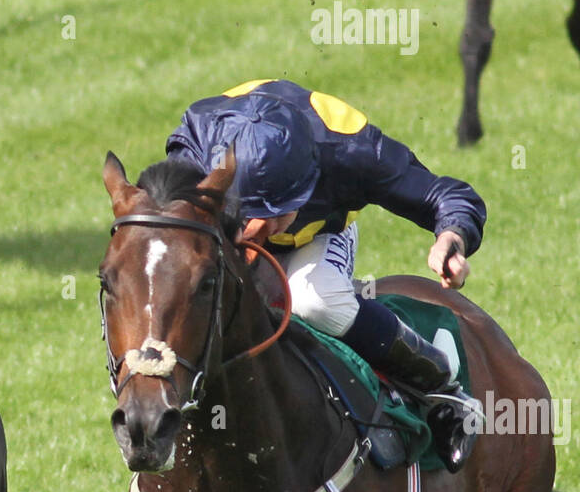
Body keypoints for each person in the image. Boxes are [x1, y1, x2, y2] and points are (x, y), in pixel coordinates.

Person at [167, 78, 485, 470]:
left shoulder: (352, 151)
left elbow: (446, 196)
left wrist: (452, 237)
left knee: (312, 299)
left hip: (320, 234)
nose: (259, 234)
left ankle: (440, 382)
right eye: (249, 217)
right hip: (218, 222)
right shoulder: (196, 140)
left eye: (273, 217)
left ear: (307, 186)